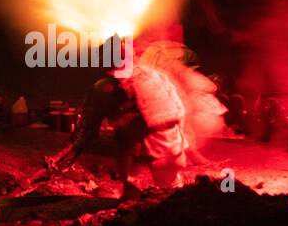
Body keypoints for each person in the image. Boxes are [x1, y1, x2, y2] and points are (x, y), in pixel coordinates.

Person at [46, 40, 189, 196]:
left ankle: (132, 187)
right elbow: (176, 109)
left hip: (161, 145)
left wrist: (81, 139)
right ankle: (141, 185)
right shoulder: (152, 75)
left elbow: (92, 125)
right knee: (166, 180)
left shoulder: (112, 84)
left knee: (126, 144)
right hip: (172, 142)